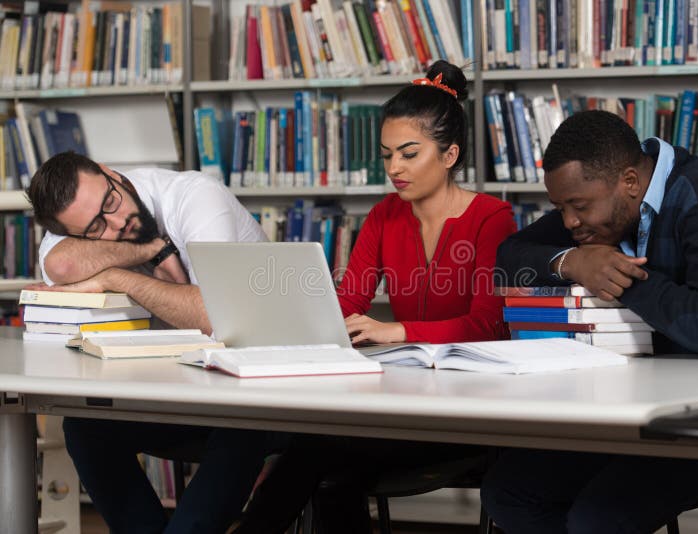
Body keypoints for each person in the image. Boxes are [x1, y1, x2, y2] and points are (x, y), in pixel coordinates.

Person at [233, 60, 517, 534]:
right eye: (387, 156)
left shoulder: (492, 218)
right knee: (326, 469)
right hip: (399, 404)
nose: (394, 169)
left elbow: (491, 325)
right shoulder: (386, 215)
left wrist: (396, 330)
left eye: (409, 153)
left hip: (471, 408)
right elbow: (348, 300)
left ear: (449, 155)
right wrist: (291, 323)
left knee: (313, 450)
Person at [481, 109, 698, 534]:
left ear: (629, 182)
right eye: (561, 208)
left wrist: (618, 276)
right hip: (631, 408)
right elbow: (508, 259)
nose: (570, 222)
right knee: (509, 490)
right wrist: (573, 260)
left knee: (598, 517)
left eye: (577, 207)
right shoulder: (597, 204)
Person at [26, 152, 276, 534]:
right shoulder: (87, 225)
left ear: (113, 175)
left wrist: (121, 278)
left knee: (238, 426)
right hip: (183, 393)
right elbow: (59, 266)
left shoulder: (194, 197)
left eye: (110, 201)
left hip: (262, 394)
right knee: (85, 428)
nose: (117, 222)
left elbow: (214, 317)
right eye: (95, 227)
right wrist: (151, 249)